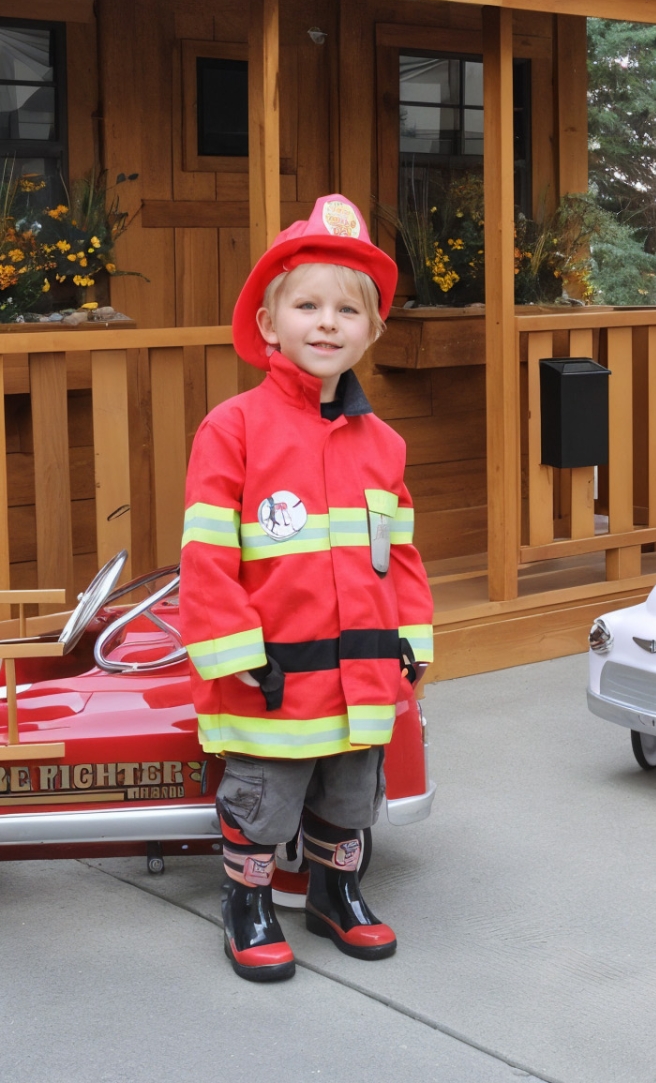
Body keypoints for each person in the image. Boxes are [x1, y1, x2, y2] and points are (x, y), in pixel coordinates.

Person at [180, 192, 434, 980]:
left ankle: (335, 892)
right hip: (273, 678)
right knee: (264, 798)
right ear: (268, 322)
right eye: (307, 304)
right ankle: (247, 906)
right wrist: (233, 653)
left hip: (360, 670)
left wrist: (412, 640)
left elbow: (405, 557)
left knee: (350, 792)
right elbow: (207, 555)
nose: (327, 323)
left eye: (346, 310)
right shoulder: (234, 428)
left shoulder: (384, 445)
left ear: (372, 329)